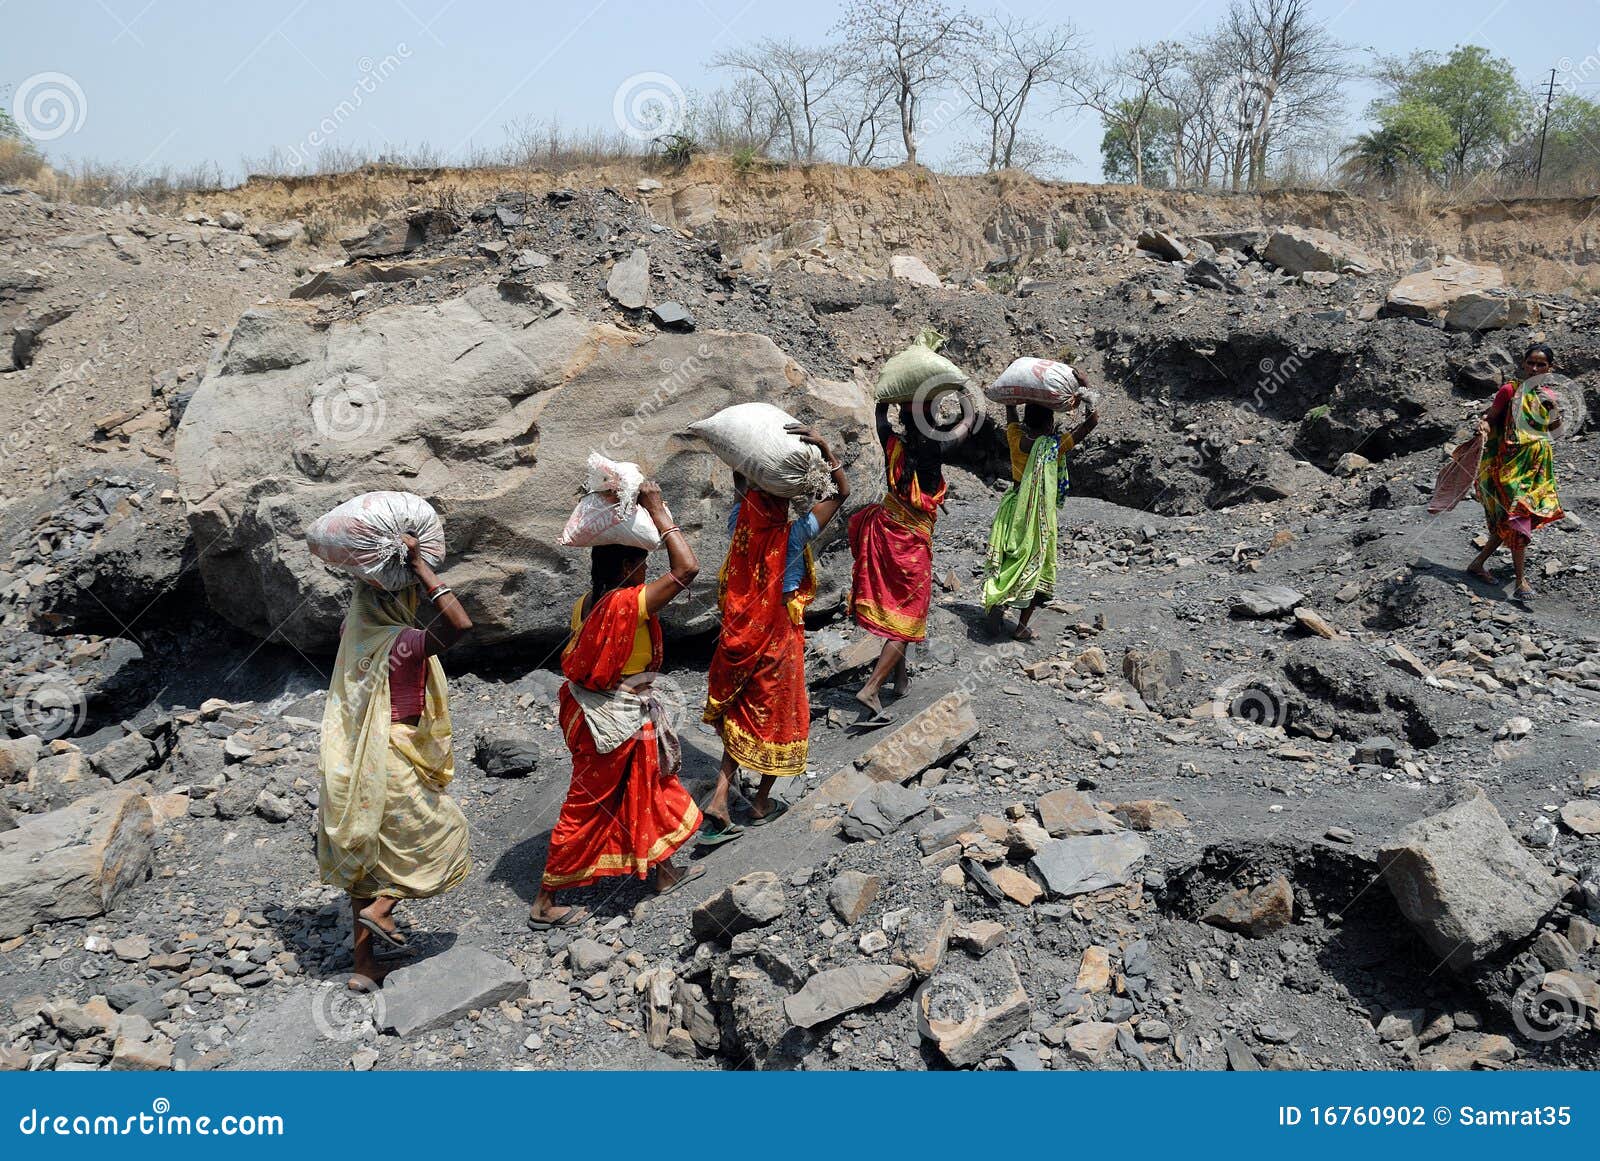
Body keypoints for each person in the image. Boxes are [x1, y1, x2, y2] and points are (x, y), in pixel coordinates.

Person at [530, 482, 706, 928]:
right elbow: (687, 569)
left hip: (598, 710)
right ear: (629, 565)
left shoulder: (587, 604)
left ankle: (664, 873)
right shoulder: (628, 604)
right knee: (587, 805)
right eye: (643, 563)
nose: (648, 570)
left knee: (645, 786)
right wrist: (659, 511)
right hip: (607, 718)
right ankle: (545, 901)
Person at [318, 534, 473, 991]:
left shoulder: (353, 634)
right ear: (400, 596)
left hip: (352, 761)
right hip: (393, 759)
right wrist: (422, 568)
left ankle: (364, 966)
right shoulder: (404, 643)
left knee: (367, 861)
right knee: (447, 834)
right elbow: (460, 626)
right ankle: (383, 908)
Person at [701, 425, 849, 843]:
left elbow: (739, 488)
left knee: (745, 709)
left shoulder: (740, 524)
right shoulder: (794, 532)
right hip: (780, 633)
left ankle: (720, 796)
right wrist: (824, 445)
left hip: (743, 630)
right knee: (781, 713)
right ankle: (762, 802)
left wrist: (743, 462)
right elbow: (841, 494)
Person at [848, 397, 976, 724]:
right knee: (910, 614)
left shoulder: (892, 443)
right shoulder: (935, 449)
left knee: (895, 608)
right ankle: (872, 688)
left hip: (883, 533)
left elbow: (879, 418)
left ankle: (899, 680)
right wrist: (966, 397)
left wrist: (885, 401)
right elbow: (968, 423)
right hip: (910, 543)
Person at [983, 390, 1100, 640]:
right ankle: (1022, 625)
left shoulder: (1015, 438)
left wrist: (1012, 399)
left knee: (1008, 558)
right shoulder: (1053, 448)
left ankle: (997, 603)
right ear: (1050, 423)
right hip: (1037, 515)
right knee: (1035, 561)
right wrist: (1087, 394)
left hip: (1012, 507)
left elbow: (1011, 416)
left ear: (1026, 422)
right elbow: (1091, 423)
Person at [1466, 343, 1565, 602]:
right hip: (1508, 468)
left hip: (1536, 468)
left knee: (1507, 521)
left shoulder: (1547, 396)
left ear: (1549, 368)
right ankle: (1521, 581)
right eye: (1531, 362)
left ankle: (1477, 564)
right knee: (1518, 518)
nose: (1535, 368)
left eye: (1541, 364)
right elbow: (1492, 417)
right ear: (1523, 363)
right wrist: (1484, 427)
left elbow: (1556, 432)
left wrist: (1550, 407)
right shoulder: (1509, 390)